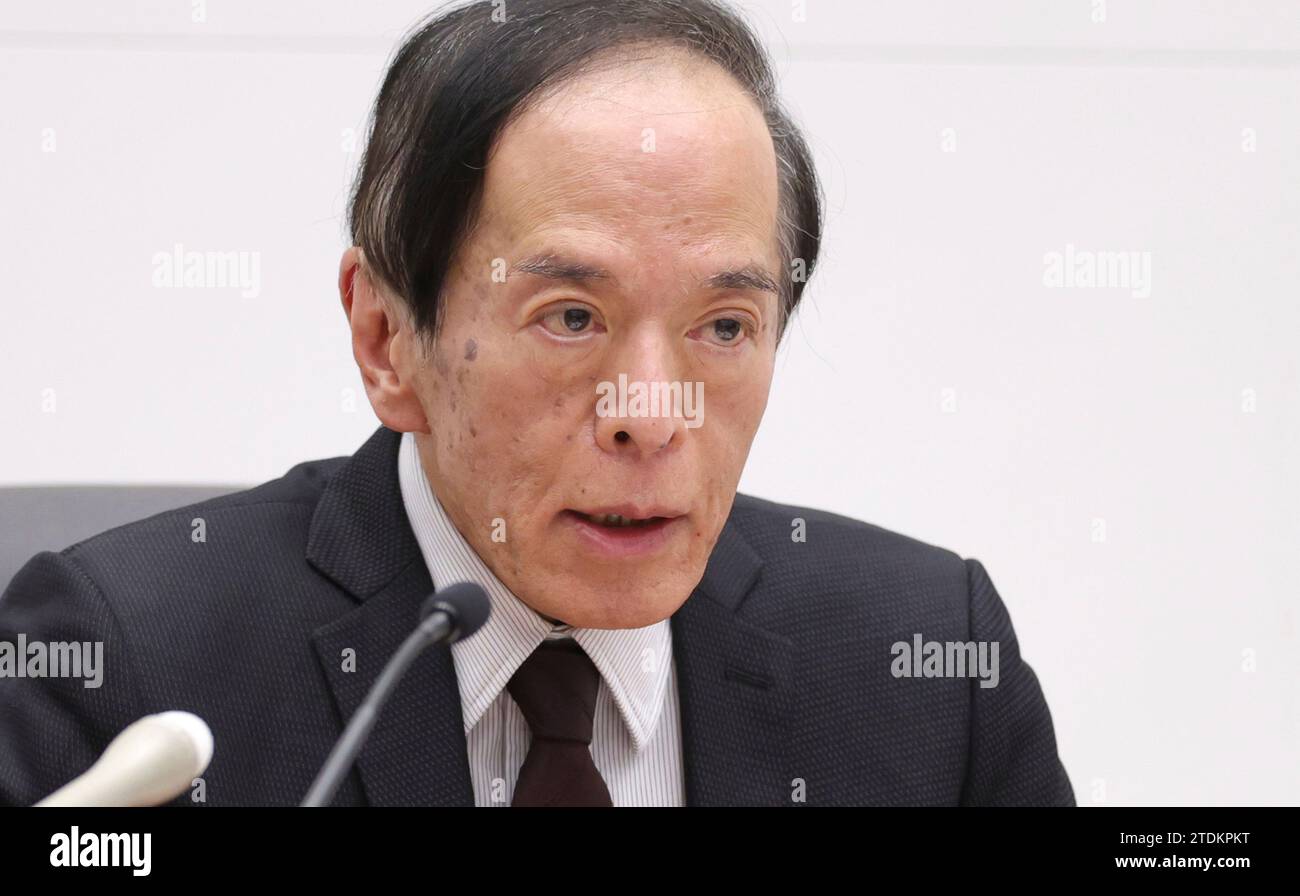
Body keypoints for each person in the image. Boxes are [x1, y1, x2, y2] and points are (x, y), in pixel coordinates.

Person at [0, 0, 1073, 806]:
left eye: (723, 326)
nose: (651, 414)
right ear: (386, 338)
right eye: (570, 316)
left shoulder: (928, 667)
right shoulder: (126, 670)